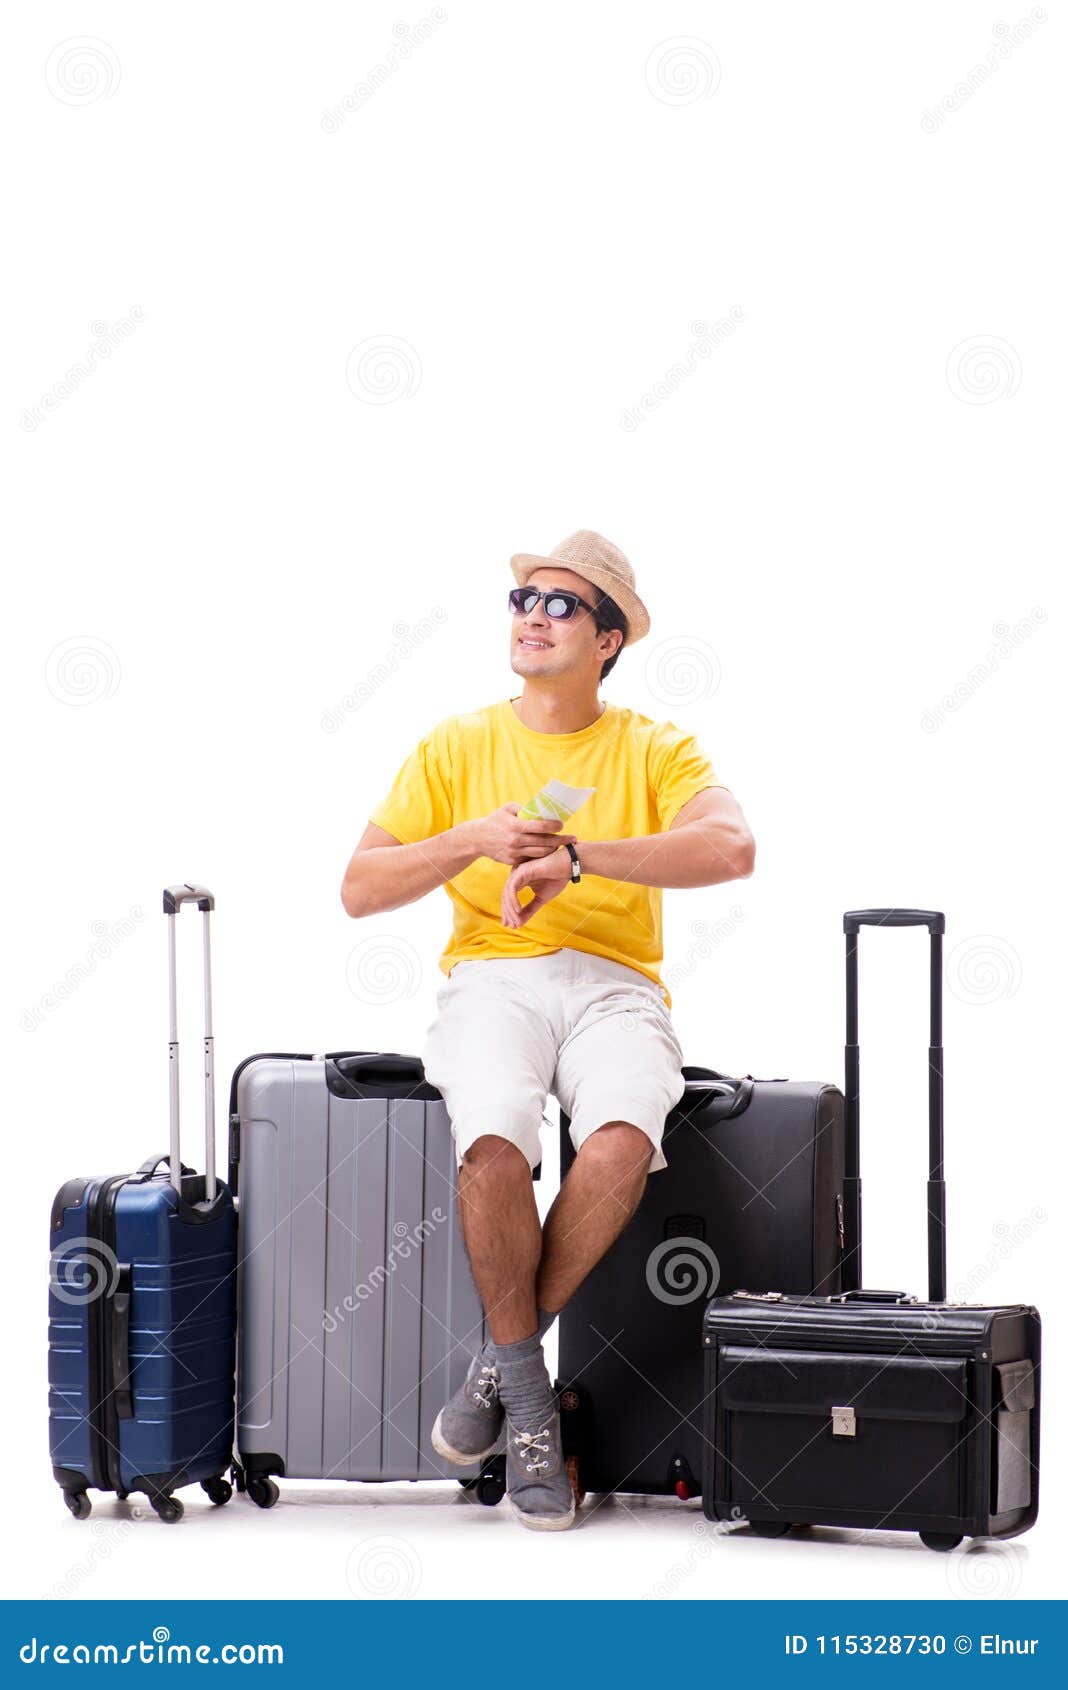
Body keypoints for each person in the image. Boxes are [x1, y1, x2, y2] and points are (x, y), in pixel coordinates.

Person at [340, 529, 755, 1529]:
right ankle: (530, 1399)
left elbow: (732, 846)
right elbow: (358, 887)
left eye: (562, 603)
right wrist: (470, 840)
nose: (532, 612)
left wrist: (581, 859)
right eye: (524, 596)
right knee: (492, 1148)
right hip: (493, 979)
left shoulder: (655, 745)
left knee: (617, 1146)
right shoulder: (458, 743)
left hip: (617, 989)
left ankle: (496, 1364)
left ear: (608, 640)